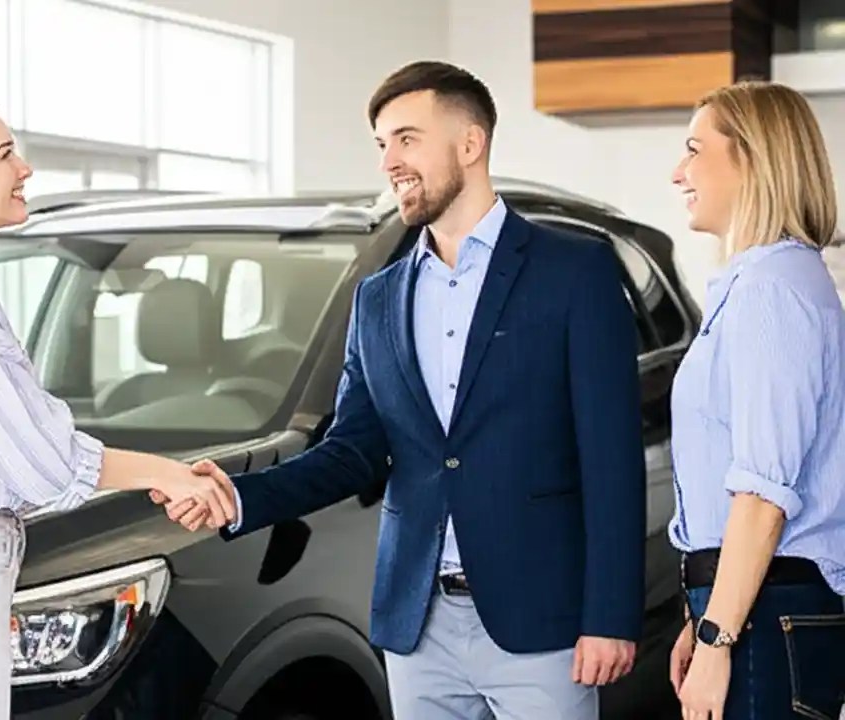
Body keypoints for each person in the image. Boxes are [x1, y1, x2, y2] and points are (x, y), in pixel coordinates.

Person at [156, 60, 645, 719]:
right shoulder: (378, 298)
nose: (389, 162)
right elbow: (352, 452)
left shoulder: (573, 272)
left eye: (407, 139)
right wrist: (238, 497)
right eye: (381, 144)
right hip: (418, 627)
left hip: (542, 625)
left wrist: (610, 616)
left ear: (470, 143)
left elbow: (611, 460)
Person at [0, 95, 236, 720]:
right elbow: (39, 458)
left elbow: (15, 457)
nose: (25, 168)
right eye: (5, 154)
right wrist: (167, 474)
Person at [666, 81, 845, 720]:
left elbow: (764, 494)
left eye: (694, 150)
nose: (678, 172)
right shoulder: (768, 281)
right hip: (756, 606)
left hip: (769, 611)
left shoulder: (773, 290)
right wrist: (705, 619)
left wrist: (719, 636)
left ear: (752, 157)